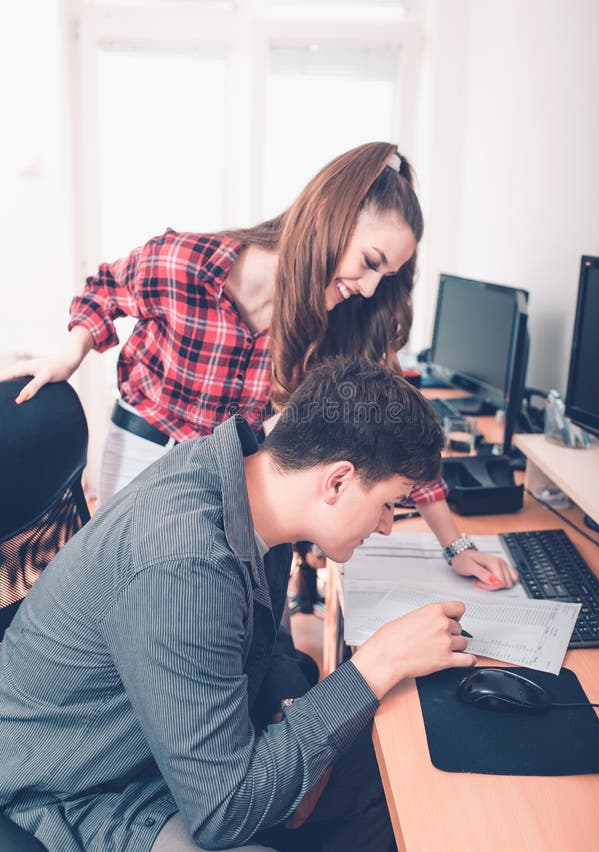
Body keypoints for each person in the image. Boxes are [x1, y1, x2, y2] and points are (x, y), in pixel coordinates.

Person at [0, 358, 479, 852]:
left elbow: (261, 641)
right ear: (337, 481)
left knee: (393, 762)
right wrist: (379, 663)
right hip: (78, 789)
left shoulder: (246, 481)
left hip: (165, 747)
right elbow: (223, 811)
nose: (385, 525)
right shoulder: (185, 568)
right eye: (388, 502)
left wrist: (300, 728)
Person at [1, 141, 517, 590]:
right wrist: (70, 353)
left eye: (389, 275)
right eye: (371, 262)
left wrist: (456, 547)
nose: (370, 288)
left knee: (217, 605)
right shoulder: (187, 263)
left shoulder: (342, 326)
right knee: (130, 589)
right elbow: (106, 289)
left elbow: (396, 436)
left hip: (226, 471)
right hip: (145, 447)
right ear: (328, 219)